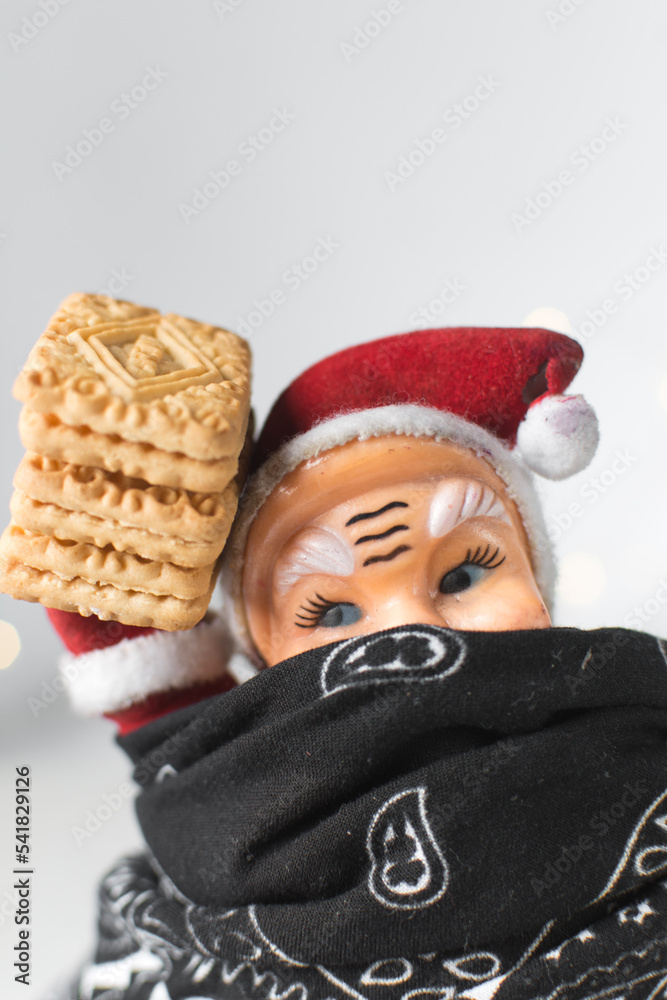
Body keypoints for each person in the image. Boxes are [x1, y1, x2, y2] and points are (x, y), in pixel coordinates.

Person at [48, 326, 667, 1000]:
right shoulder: (234, 831)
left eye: (463, 574)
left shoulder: (635, 736)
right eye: (334, 615)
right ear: (267, 663)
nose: (412, 635)